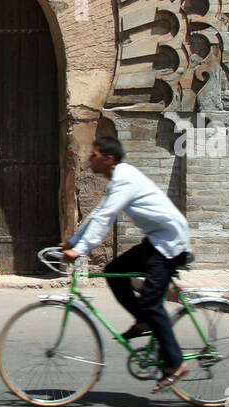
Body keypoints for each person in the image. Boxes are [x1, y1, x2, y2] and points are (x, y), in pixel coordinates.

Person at [61, 135, 192, 391]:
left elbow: (106, 218)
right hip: (156, 241)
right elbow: (99, 212)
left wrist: (82, 250)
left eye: (94, 155)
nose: (90, 159)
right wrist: (72, 241)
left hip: (170, 244)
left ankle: (175, 363)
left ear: (108, 159)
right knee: (113, 272)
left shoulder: (124, 178)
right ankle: (143, 321)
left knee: (152, 303)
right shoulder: (118, 178)